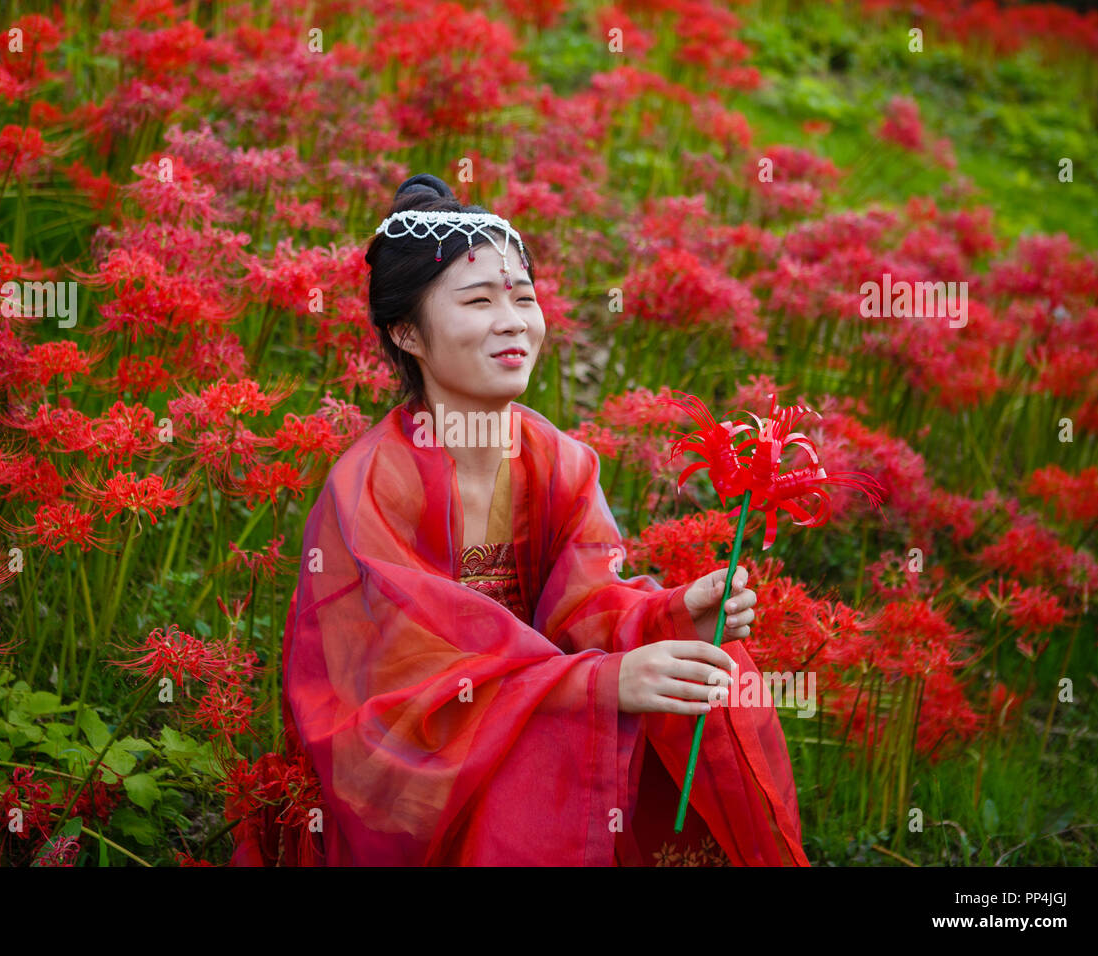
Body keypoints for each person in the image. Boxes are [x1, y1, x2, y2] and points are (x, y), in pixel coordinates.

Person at [242, 173, 809, 866]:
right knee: (538, 740)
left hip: (524, 717)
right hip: (412, 764)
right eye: (479, 300)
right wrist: (601, 684)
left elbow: (585, 604)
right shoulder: (372, 485)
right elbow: (410, 695)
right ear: (407, 334)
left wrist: (666, 617)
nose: (513, 321)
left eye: (524, 297)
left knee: (708, 675)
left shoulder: (557, 460)